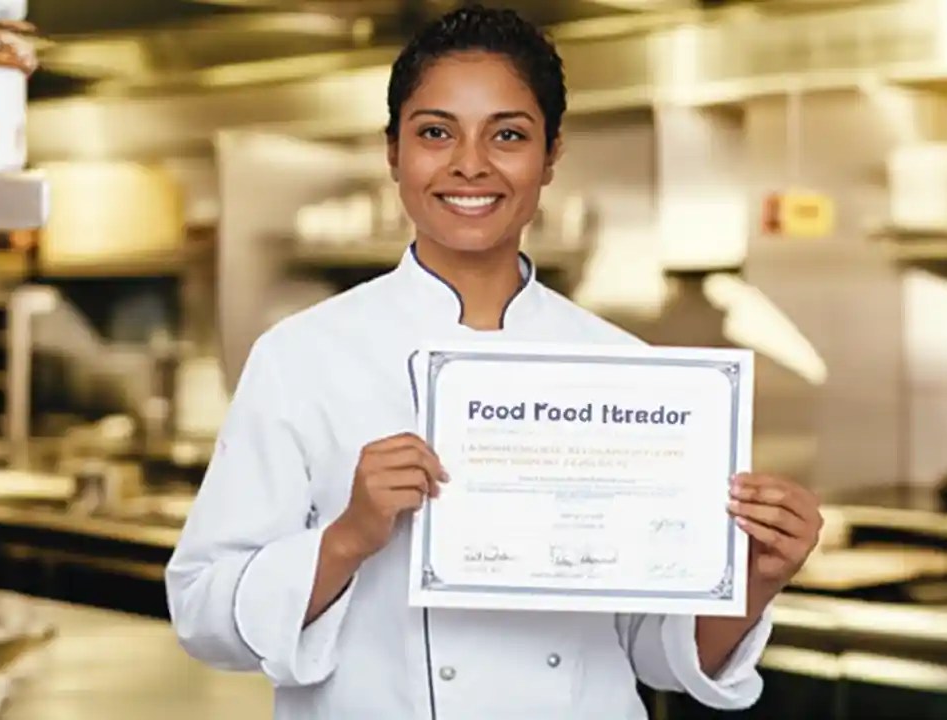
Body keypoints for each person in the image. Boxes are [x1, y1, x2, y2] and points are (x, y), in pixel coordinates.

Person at [165, 5, 823, 719]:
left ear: (550, 156)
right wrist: (349, 537)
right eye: (435, 133)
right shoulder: (302, 358)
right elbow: (204, 612)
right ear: (393, 152)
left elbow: (649, 648)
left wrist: (754, 579)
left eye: (507, 134)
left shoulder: (623, 371)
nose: (470, 164)